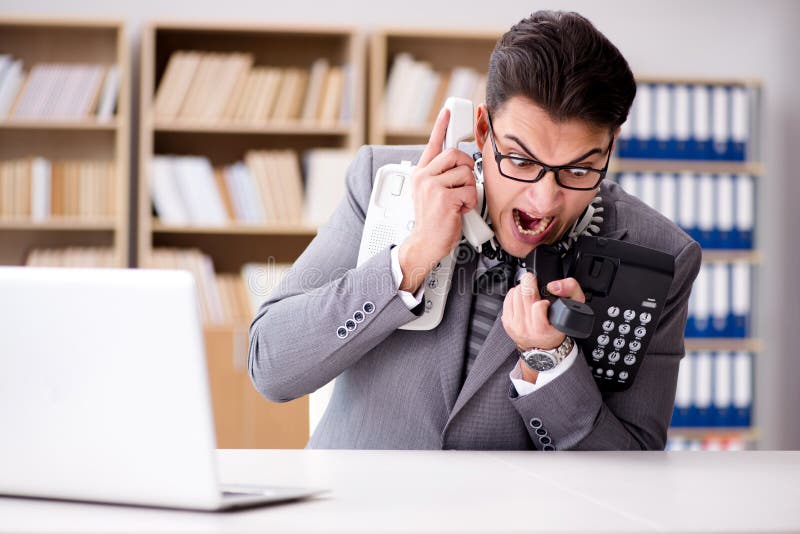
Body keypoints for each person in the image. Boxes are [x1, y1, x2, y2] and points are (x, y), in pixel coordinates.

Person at [248, 10, 701, 450]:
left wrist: (552, 362)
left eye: (580, 170)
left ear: (610, 146)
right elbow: (271, 367)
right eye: (521, 161)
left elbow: (633, 475)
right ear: (482, 129)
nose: (543, 201)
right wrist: (409, 260)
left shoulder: (661, 255)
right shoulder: (383, 181)